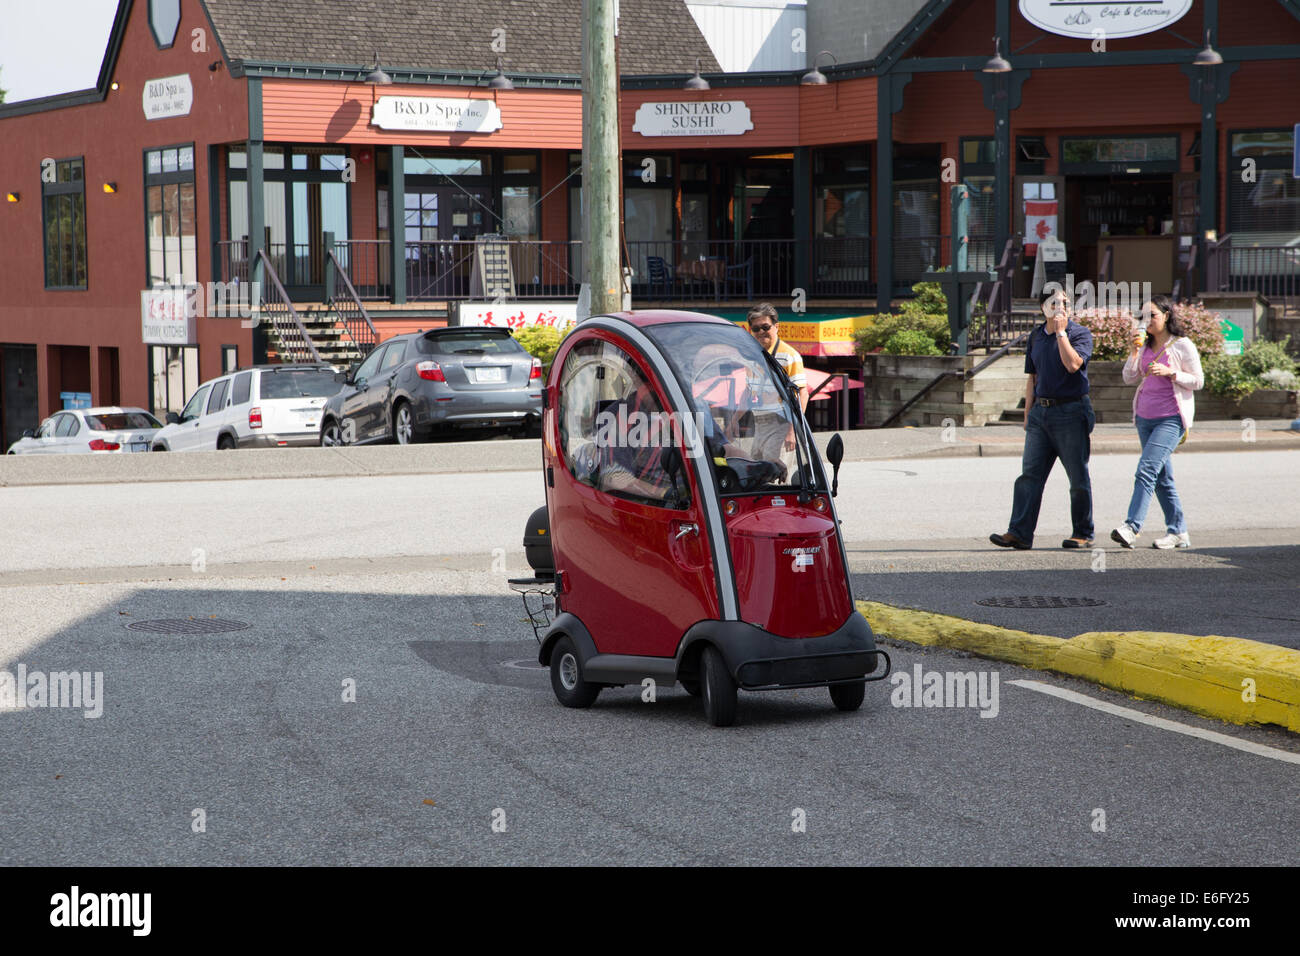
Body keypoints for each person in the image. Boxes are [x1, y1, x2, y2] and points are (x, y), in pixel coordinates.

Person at [990, 286, 1096, 550]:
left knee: (1077, 478)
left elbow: (1073, 365)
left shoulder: (1079, 334)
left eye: (1066, 303)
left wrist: (1061, 333)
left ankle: (1083, 532)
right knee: (1029, 476)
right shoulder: (1035, 336)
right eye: (1055, 303)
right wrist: (1028, 415)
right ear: (1042, 308)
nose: (1062, 308)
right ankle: (1019, 533)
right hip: (1041, 413)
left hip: (1071, 411)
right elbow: (1032, 378)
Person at [1110, 295, 1203, 549]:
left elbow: (1198, 381)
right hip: (1144, 419)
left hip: (1171, 419)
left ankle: (1131, 527)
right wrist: (1133, 351)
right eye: (1142, 316)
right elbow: (1129, 377)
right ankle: (1179, 531)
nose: (1146, 320)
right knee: (1162, 477)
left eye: (1152, 315)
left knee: (1146, 470)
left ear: (1166, 316)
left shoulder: (1182, 345)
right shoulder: (1144, 346)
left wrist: (1172, 373)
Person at [746, 303, 808, 412]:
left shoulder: (789, 356)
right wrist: (734, 420)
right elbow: (747, 392)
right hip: (758, 421)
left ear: (776, 327)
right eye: (756, 328)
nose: (761, 332)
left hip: (782, 422)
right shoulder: (751, 357)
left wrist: (793, 428)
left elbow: (802, 394)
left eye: (765, 327)